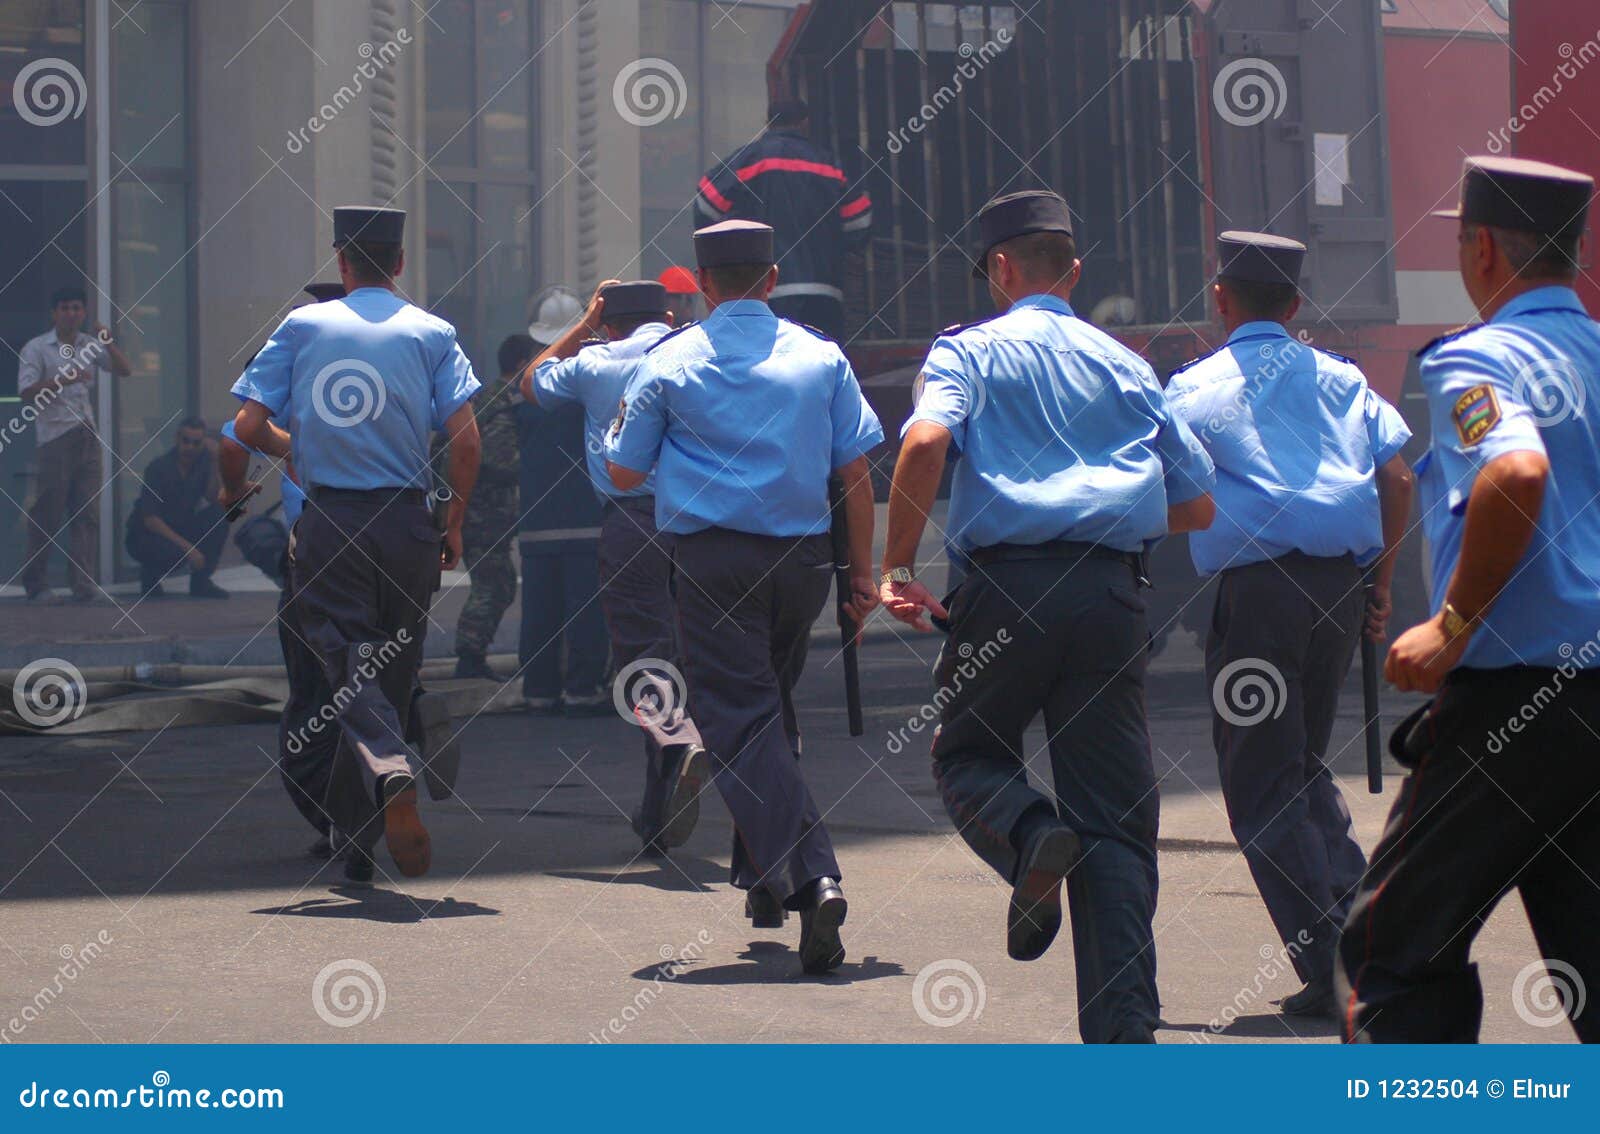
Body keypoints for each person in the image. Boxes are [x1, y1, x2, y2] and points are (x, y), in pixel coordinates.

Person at [879, 191, 1217, 1043]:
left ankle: (1029, 836)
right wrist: (1112, 516)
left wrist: (893, 567)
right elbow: (1200, 503)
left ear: (999, 269)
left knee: (966, 755)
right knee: (1116, 819)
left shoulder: (970, 352)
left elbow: (923, 445)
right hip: (1110, 596)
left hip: (1005, 591)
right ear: (1071, 270)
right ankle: (1123, 1035)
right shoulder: (1127, 364)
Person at [1339, 156, 1600, 1043]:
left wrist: (1451, 625)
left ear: (1482, 248)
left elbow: (1516, 468)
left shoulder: (1477, 360)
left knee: (1393, 949)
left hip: (1513, 708)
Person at [606, 220, 882, 973]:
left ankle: (813, 874)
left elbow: (624, 473)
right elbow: (856, 474)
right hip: (802, 564)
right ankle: (763, 878)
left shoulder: (671, 360)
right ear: (772, 277)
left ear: (700, 282)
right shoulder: (821, 357)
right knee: (768, 707)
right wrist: (864, 575)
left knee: (739, 718)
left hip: (713, 562)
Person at [1164, 232, 1414, 1019]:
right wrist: (1381, 582)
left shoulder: (1194, 386)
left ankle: (1336, 958)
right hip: (1339, 589)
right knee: (1301, 764)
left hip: (1258, 601)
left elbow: (1166, 490)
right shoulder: (1344, 380)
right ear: (1297, 304)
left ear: (1221, 299)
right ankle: (1363, 946)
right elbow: (1397, 474)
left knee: (1260, 778)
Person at [232, 206, 481, 885]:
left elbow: (247, 425)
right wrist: (453, 522)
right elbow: (466, 441)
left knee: (346, 667)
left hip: (331, 522)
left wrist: (299, 451)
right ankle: (360, 841)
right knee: (391, 678)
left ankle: (392, 767)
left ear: (342, 263)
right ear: (399, 263)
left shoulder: (304, 327)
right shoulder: (433, 332)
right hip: (408, 523)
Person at [523, 279, 707, 856]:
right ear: (670, 314)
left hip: (633, 524)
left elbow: (532, 383)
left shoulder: (595, 361)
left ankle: (675, 738)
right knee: (703, 649)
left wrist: (580, 328)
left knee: (646, 657)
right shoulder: (699, 352)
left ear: (606, 322)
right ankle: (660, 808)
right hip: (706, 521)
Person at [219, 281, 335, 858]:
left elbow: (239, 434)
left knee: (313, 690)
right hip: (395, 540)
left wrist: (233, 489)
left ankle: (333, 814)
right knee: (383, 670)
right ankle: (405, 731)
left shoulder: (287, 360)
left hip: (315, 548)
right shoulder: (415, 348)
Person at [693, 98, 871, 342]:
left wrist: (729, 255)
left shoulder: (750, 160)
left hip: (761, 292)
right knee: (820, 367)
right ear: (805, 123)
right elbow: (860, 225)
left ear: (767, 122)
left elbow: (705, 204)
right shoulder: (829, 166)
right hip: (824, 294)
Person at [517, 285, 610, 714]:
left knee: (540, 611)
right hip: (588, 519)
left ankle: (539, 689)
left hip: (537, 521)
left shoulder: (526, 394)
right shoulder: (588, 386)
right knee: (586, 610)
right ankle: (583, 687)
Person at [16, 285, 133, 603]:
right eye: (65, 308)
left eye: (77, 308)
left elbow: (124, 370)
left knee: (86, 513)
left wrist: (108, 342)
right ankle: (36, 583)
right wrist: (62, 380)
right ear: (54, 313)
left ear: (83, 312)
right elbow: (26, 392)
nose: (71, 314)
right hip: (54, 438)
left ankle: (83, 584)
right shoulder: (38, 348)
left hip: (87, 435)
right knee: (47, 512)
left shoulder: (89, 345)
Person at [451, 334, 528, 680]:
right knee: (493, 583)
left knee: (499, 582)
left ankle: (472, 654)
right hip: (483, 513)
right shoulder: (503, 403)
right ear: (522, 364)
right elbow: (500, 461)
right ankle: (469, 656)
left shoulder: (491, 398)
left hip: (480, 511)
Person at [125, 417, 230, 599]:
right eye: (186, 441)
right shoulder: (158, 468)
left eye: (196, 443)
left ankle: (200, 583)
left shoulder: (203, 464)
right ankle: (149, 577)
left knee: (219, 516)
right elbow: (151, 520)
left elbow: (213, 497)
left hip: (181, 526)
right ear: (177, 439)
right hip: (148, 534)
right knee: (170, 551)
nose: (190, 447)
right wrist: (189, 549)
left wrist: (215, 462)